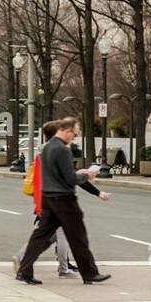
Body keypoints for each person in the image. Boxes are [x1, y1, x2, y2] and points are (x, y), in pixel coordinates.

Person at [17, 117, 111, 285]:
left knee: (40, 236)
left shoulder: (45, 148)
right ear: (67, 131)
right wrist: (85, 175)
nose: (73, 138)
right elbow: (69, 178)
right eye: (73, 134)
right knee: (78, 237)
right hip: (64, 199)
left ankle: (24, 270)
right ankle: (90, 273)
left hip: (48, 197)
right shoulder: (62, 149)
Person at [13, 140, 77, 278]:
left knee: (46, 236)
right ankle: (63, 269)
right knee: (62, 236)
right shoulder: (53, 167)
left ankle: (22, 258)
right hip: (55, 205)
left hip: (44, 204)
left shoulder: (38, 165)